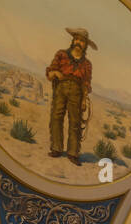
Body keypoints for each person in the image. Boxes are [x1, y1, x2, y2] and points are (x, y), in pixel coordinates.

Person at [46, 28, 95, 167]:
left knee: (75, 122)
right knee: (56, 117)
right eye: (77, 39)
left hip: (77, 93)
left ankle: (73, 153)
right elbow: (50, 72)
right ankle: (56, 148)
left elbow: (86, 83)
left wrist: (84, 99)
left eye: (82, 41)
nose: (79, 43)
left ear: (85, 45)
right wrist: (55, 72)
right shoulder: (61, 54)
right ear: (73, 40)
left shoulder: (87, 64)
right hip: (60, 88)